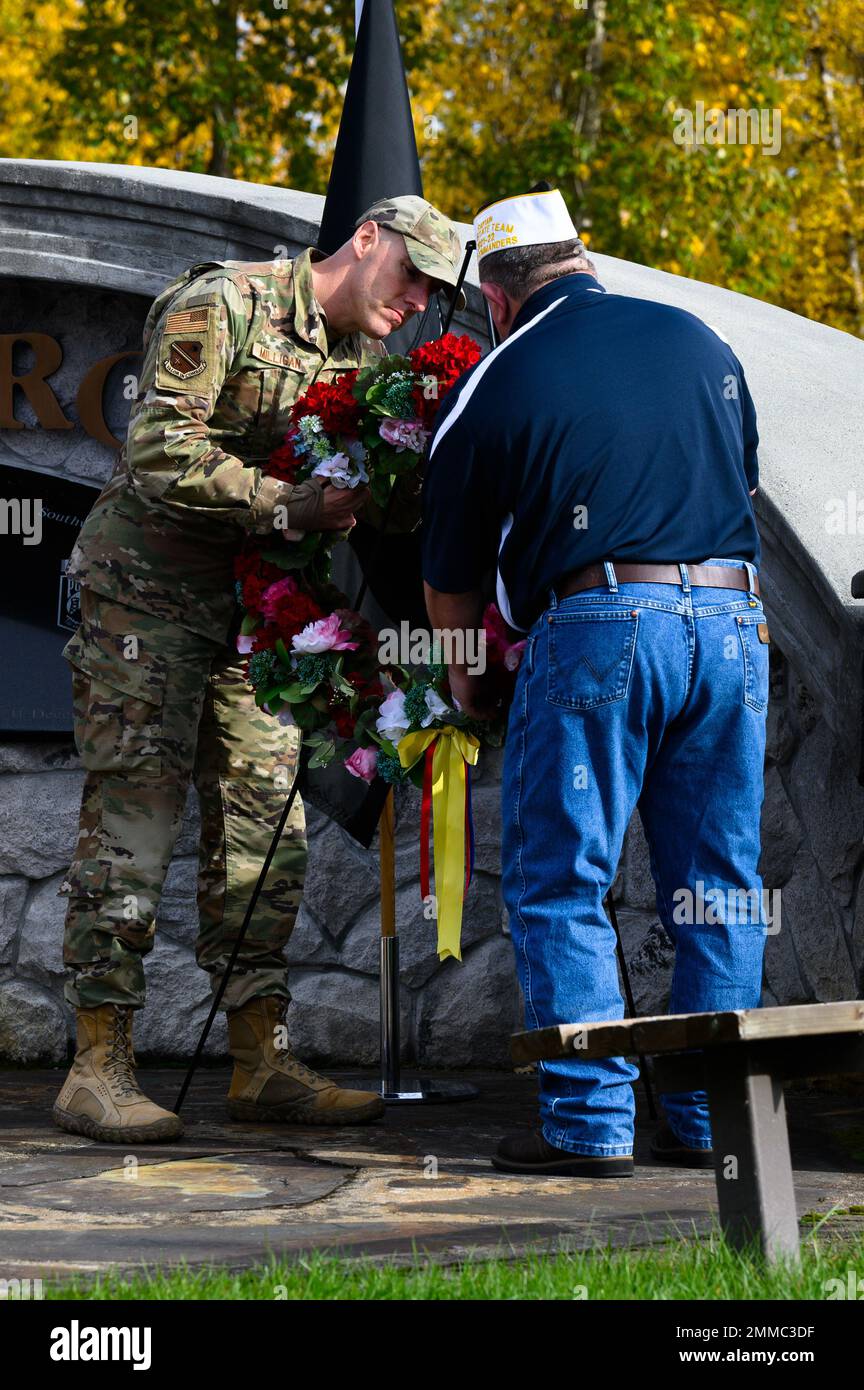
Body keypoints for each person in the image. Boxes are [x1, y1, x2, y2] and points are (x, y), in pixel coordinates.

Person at [54, 195, 465, 1144]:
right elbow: (160, 449)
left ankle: (260, 1057)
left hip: (256, 612)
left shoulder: (364, 362)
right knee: (135, 817)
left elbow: (372, 495)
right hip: (144, 601)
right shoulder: (224, 303)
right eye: (410, 279)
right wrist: (292, 505)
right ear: (366, 241)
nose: (415, 307)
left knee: (262, 826)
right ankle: (96, 1063)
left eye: (435, 297)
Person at [422, 187, 769, 1177]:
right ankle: (712, 1122)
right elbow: (737, 486)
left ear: (496, 291)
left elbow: (449, 572)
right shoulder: (702, 340)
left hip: (600, 628)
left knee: (562, 881)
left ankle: (586, 1126)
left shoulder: (500, 373)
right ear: (583, 257)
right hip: (735, 624)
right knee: (720, 887)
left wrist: (469, 682)